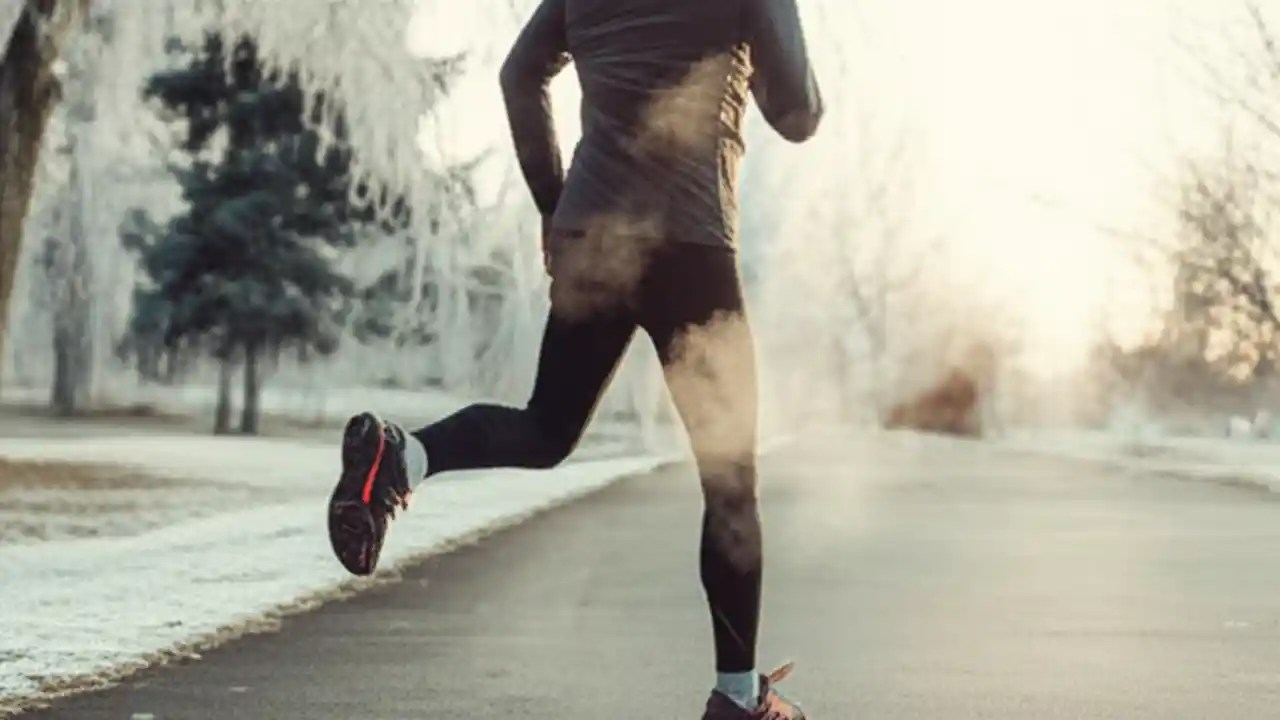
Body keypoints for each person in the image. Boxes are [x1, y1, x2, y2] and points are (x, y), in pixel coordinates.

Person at [328, 0, 822, 716]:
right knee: (730, 485)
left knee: (546, 429)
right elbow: (798, 115)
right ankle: (739, 700)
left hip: (594, 238)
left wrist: (552, 205)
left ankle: (402, 458)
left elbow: (519, 75)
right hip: (689, 248)